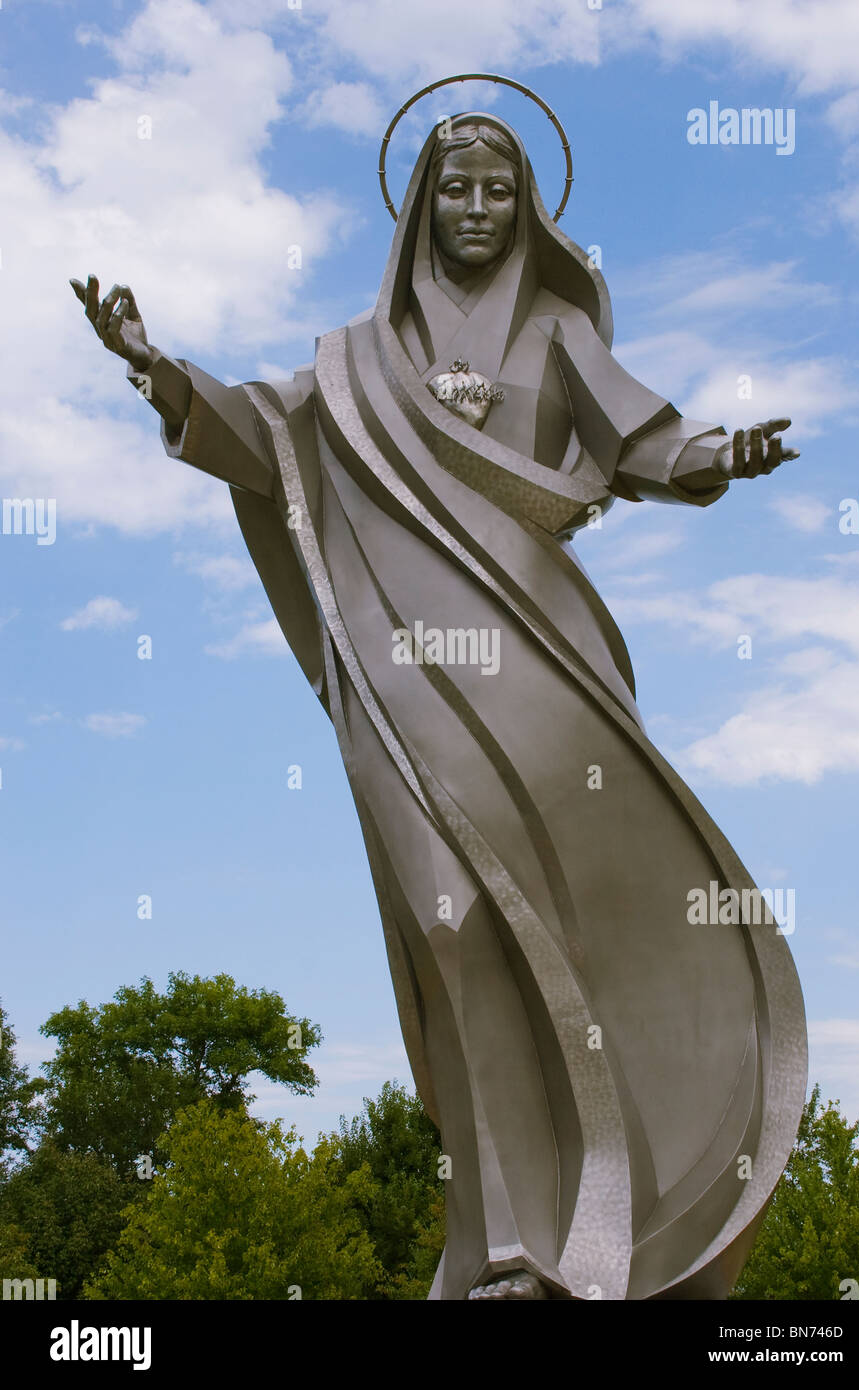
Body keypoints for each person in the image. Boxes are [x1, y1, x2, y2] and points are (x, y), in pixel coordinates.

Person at [71, 112, 807, 1301]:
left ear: (527, 210)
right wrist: (162, 373)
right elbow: (267, 442)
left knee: (578, 936)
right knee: (457, 930)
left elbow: (646, 440)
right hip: (408, 688)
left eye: (497, 194)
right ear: (420, 204)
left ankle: (642, 1219)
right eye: (456, 190)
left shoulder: (560, 334)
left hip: (547, 677)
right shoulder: (354, 361)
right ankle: (509, 1245)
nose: (476, 210)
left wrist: (721, 451)